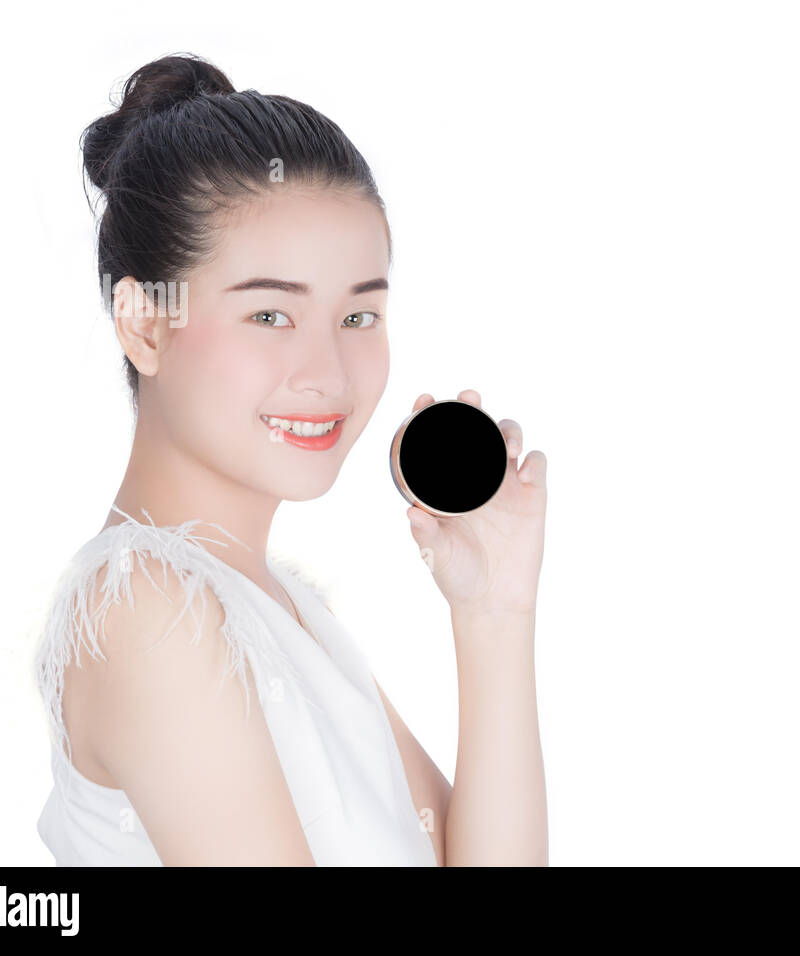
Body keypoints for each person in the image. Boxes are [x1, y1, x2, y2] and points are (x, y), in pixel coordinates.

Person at [31, 52, 548, 866]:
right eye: (270, 315)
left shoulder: (280, 609)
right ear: (143, 325)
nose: (329, 375)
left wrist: (494, 611)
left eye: (359, 317)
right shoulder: (149, 611)